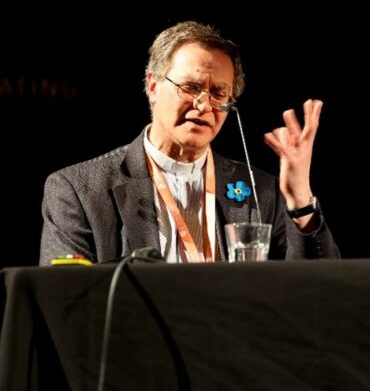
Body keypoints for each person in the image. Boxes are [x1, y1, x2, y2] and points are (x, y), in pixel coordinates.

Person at [39, 21, 339, 264]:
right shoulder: (79, 189)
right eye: (190, 87)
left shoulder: (262, 191)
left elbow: (317, 294)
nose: (204, 105)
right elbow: (63, 302)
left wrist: (300, 198)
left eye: (219, 93)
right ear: (153, 86)